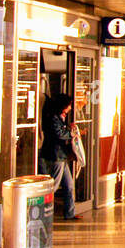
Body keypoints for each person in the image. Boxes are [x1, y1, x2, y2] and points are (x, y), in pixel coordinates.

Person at [41, 93, 83, 221]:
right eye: (69, 105)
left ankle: (70, 213)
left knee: (69, 185)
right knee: (53, 185)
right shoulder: (53, 118)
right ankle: (41, 210)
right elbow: (59, 134)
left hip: (61, 156)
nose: (70, 108)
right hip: (56, 156)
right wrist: (71, 134)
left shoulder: (59, 118)